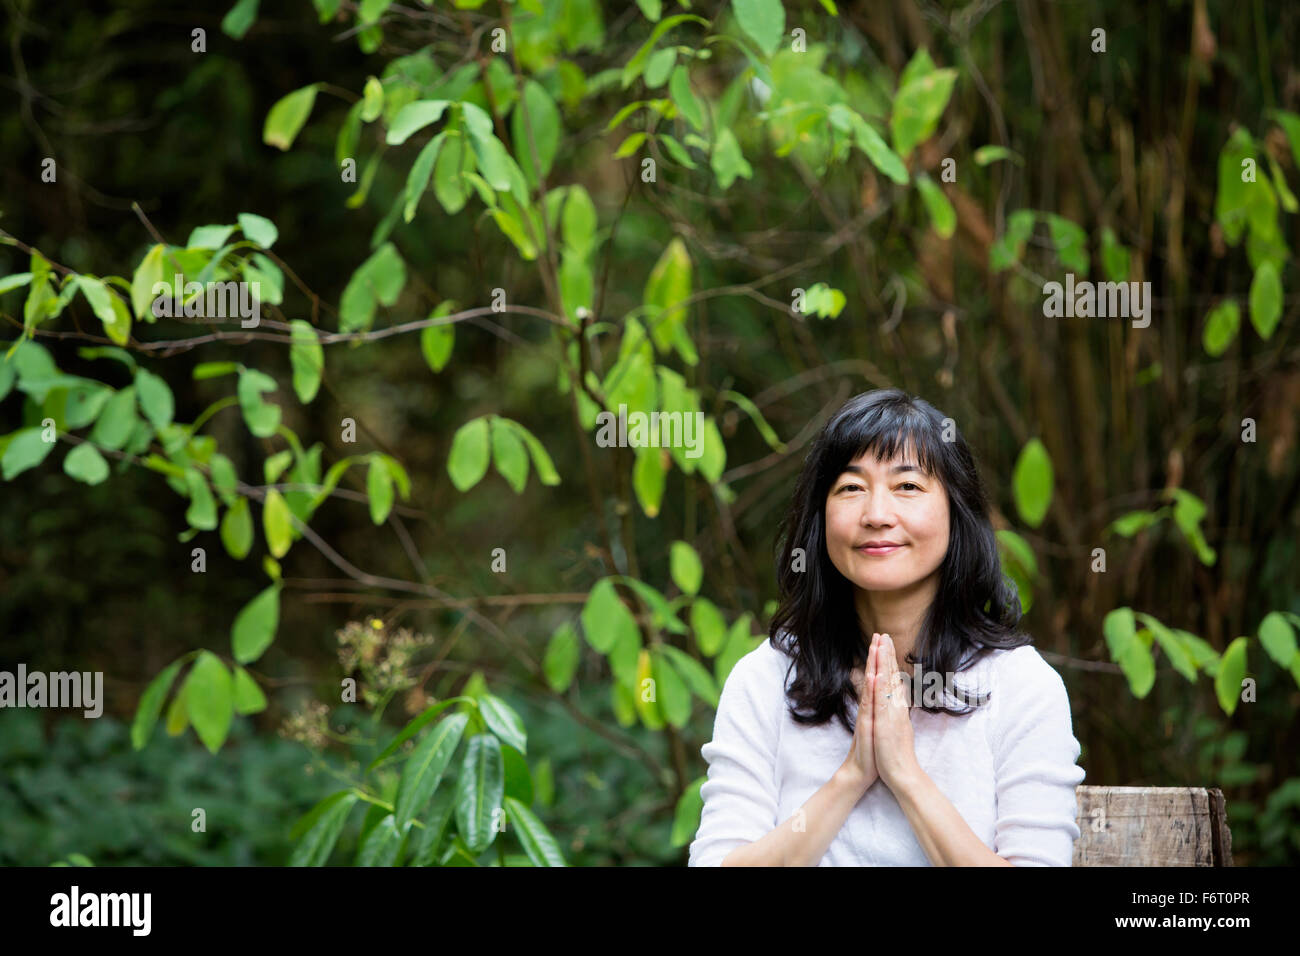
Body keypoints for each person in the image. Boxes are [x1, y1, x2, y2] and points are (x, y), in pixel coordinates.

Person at [688, 388, 1086, 866]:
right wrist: (852, 775)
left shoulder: (1021, 686)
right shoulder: (767, 679)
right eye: (851, 488)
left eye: (908, 487)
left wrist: (906, 775)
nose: (877, 515)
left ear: (956, 515)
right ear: (821, 517)